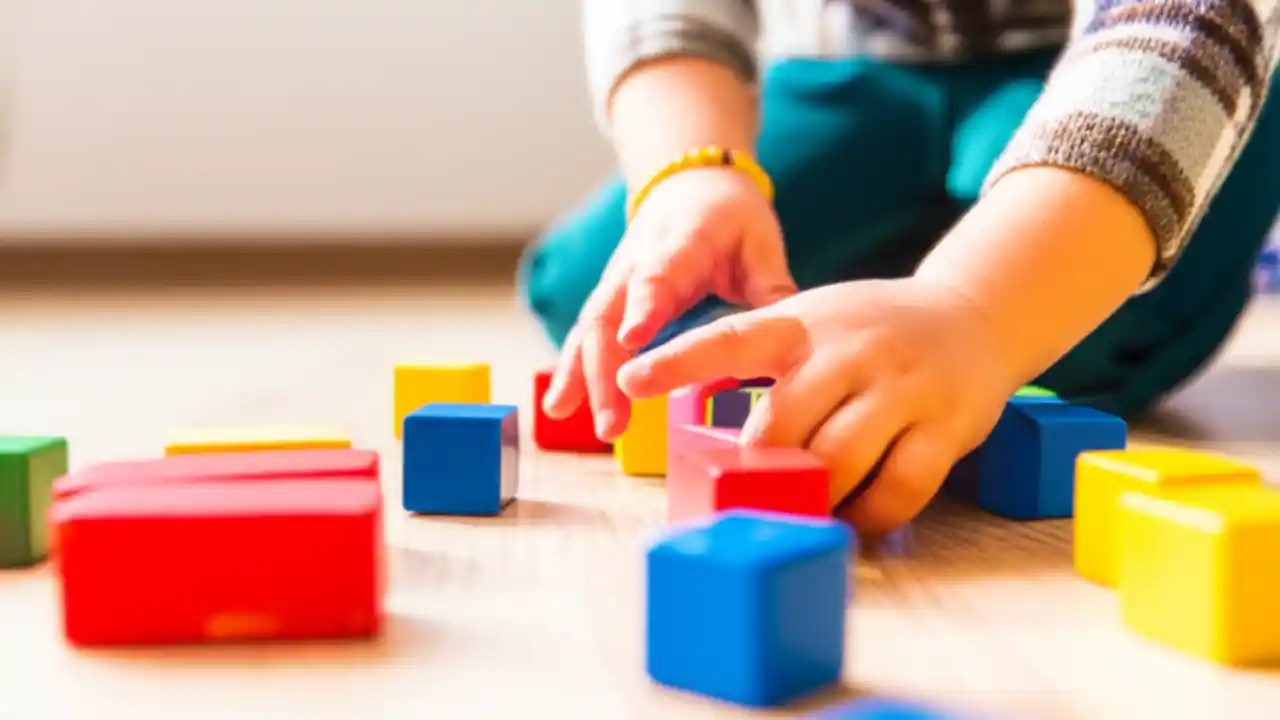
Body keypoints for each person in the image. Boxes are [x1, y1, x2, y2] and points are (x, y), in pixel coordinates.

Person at [519, 0, 1280, 535]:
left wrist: (976, 309)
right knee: (617, 303)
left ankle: (927, 302)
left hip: (1135, 67)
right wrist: (692, 172)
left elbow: (1190, 18)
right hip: (861, 74)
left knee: (1095, 319)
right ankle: (899, 301)